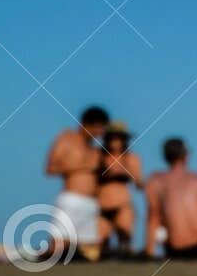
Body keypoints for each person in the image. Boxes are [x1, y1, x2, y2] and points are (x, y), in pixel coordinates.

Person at [43, 106, 109, 262]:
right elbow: (50, 168)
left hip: (91, 204)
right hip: (71, 200)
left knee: (89, 253)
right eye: (99, 128)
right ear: (88, 124)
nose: (101, 133)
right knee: (57, 249)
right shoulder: (67, 139)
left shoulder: (95, 149)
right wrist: (81, 166)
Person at [96, 123, 146, 254]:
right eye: (112, 138)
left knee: (125, 241)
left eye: (119, 138)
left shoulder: (131, 159)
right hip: (101, 207)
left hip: (123, 206)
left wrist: (126, 175)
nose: (115, 142)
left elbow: (139, 183)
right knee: (101, 244)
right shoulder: (97, 157)